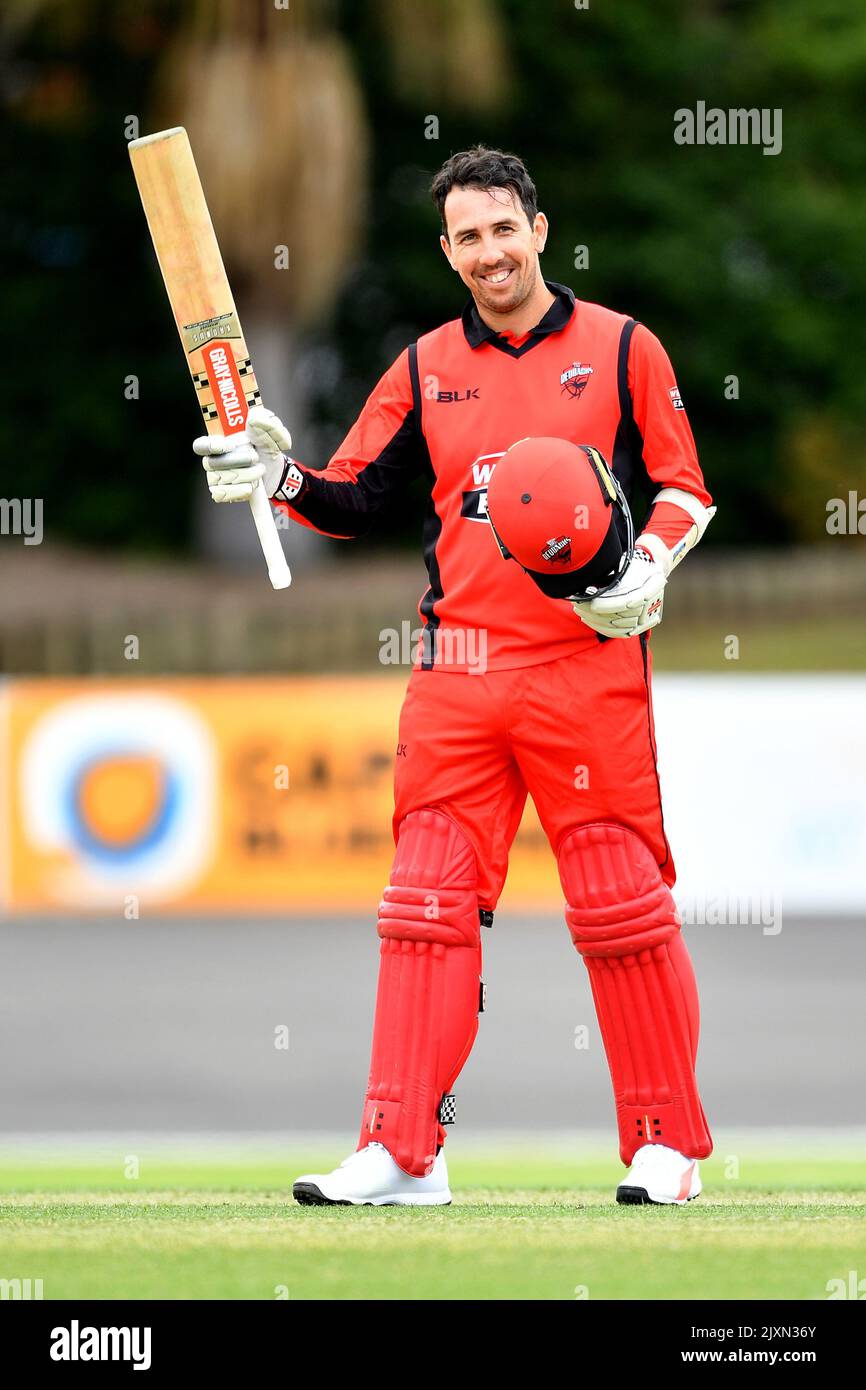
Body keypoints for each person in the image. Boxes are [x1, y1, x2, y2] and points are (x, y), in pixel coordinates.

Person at [195, 146, 715, 1207]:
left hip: (586, 664)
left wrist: (648, 568)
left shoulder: (622, 348)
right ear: (447, 251)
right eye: (465, 238)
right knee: (421, 905)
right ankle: (399, 1153)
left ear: (538, 229)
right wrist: (271, 469)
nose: (488, 253)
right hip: (457, 670)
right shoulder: (426, 363)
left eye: (501, 230)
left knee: (618, 907)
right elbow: (353, 498)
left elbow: (680, 488)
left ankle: (665, 1145)